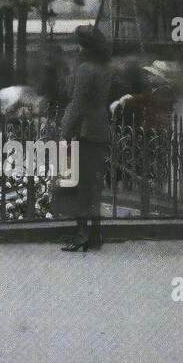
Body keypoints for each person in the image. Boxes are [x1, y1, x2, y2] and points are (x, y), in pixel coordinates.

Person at [53, 24, 113, 252]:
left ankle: (81, 235)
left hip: (84, 131)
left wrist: (65, 132)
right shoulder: (104, 69)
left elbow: (77, 104)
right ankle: (96, 233)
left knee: (80, 184)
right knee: (94, 184)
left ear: (82, 46)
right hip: (99, 128)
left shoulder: (85, 69)